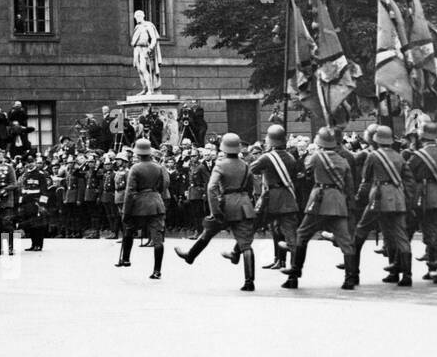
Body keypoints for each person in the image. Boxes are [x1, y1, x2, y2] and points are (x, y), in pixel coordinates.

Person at [175, 132, 258, 292]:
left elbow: (211, 187)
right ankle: (249, 281)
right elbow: (249, 185)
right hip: (243, 203)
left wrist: (215, 210)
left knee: (208, 232)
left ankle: (190, 256)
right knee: (245, 243)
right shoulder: (245, 165)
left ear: (223, 148)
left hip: (226, 203)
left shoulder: (220, 164)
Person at [282, 126, 357, 291]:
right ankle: (350, 279)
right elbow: (350, 188)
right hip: (338, 202)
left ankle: (294, 274)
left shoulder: (316, 157)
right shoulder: (343, 161)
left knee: (302, 235)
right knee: (345, 242)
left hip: (319, 201)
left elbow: (306, 169)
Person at [349, 125, 414, 289]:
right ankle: (405, 275)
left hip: (378, 198)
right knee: (399, 236)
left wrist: (358, 199)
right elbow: (408, 180)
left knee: (360, 232)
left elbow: (366, 180)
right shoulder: (399, 157)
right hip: (397, 198)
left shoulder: (373, 156)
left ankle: (353, 273)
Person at [118, 138, 170, 279]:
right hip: (156, 203)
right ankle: (157, 270)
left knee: (129, 229)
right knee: (158, 238)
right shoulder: (159, 167)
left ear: (138, 153)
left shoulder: (135, 168)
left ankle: (126, 258)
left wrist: (126, 211)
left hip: (138, 205)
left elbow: (130, 192)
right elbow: (164, 185)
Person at [252, 125, 301, 271]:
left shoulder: (267, 157)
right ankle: (286, 264)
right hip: (287, 198)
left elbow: (252, 168)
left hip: (272, 198)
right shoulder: (291, 157)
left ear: (271, 140)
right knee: (286, 232)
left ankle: (236, 252)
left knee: (253, 225)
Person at [410, 121, 437, 281]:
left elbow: (410, 175)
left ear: (422, 136)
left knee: (429, 233)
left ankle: (432, 267)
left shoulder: (419, 155)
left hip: (425, 197)